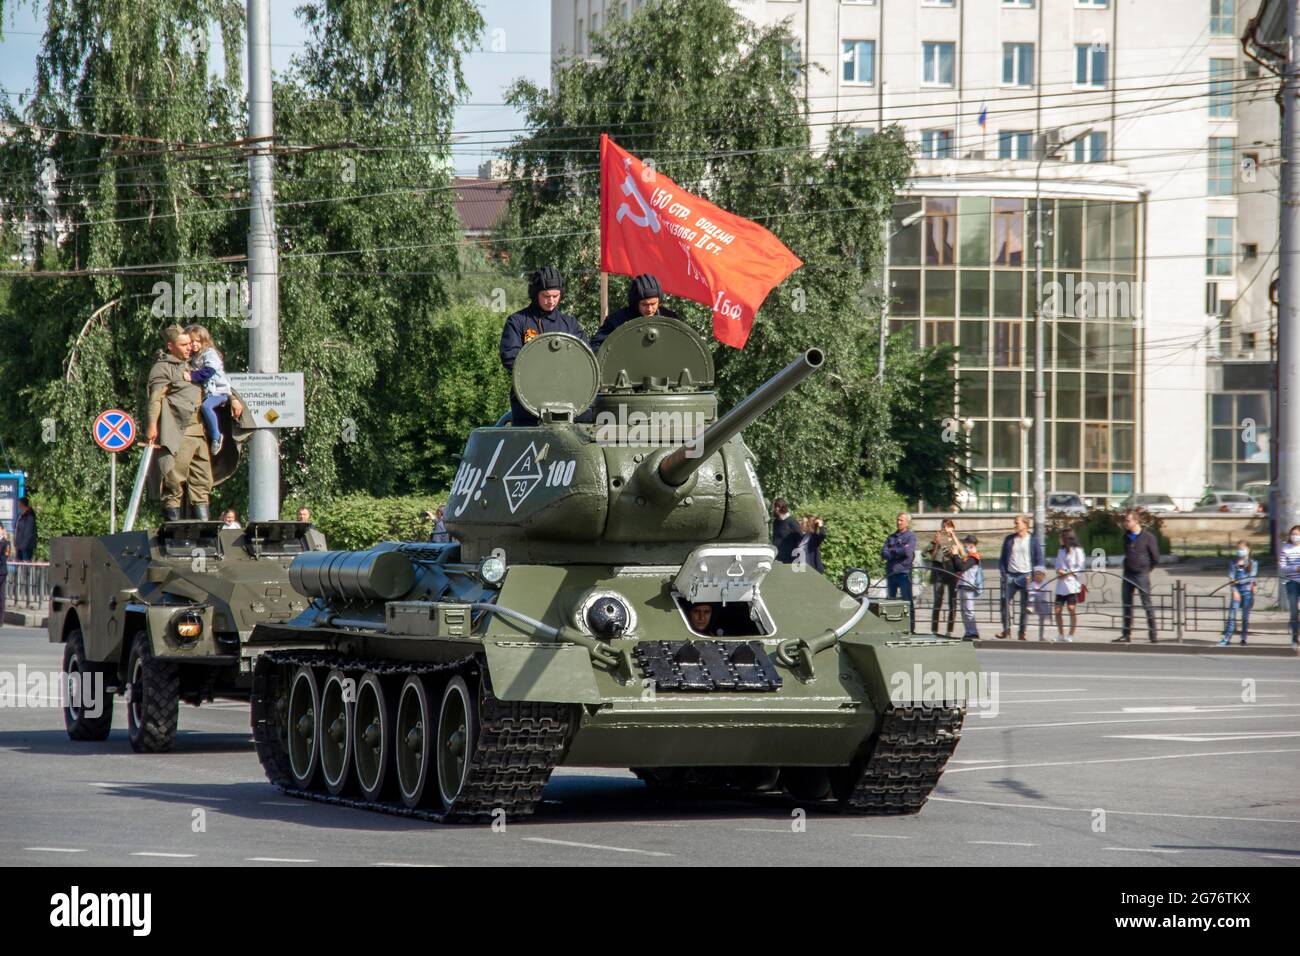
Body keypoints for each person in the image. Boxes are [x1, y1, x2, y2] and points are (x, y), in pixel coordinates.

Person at [499, 266, 585, 426]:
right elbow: (510, 357)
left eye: (555, 296)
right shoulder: (518, 321)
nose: (551, 301)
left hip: (567, 399)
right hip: (528, 402)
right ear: (535, 293)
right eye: (546, 296)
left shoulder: (570, 324)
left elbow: (584, 359)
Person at [147, 326, 214, 521]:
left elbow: (218, 381)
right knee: (173, 479)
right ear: (170, 346)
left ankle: (205, 529)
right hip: (178, 433)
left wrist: (234, 399)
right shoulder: (163, 368)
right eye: (183, 344)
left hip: (200, 432)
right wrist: (152, 425)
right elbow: (155, 399)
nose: (189, 348)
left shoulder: (195, 365)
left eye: (189, 344)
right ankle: (174, 527)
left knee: (202, 481)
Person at [589, 273, 681, 351]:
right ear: (635, 303)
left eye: (653, 304)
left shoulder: (669, 319)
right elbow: (596, 347)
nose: (649, 309)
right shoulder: (617, 320)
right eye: (644, 305)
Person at [185, 324, 233, 457]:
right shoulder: (195, 357)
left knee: (206, 407)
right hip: (209, 392)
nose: (194, 344)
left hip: (219, 391)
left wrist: (191, 376)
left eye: (197, 341)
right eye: (191, 341)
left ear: (204, 341)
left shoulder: (209, 353)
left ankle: (216, 436)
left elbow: (209, 371)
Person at [1114, 509, 1160, 643]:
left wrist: (1146, 568)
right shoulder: (1126, 536)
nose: (1125, 523)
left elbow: (1155, 557)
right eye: (1125, 521)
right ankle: (1126, 634)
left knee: (1147, 605)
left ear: (1136, 521)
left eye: (1128, 521)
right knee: (1127, 605)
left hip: (1141, 575)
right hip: (1128, 574)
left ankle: (1153, 634)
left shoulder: (1148, 537)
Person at [997, 515, 1043, 640]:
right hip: (1010, 576)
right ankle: (1006, 630)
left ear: (1025, 524)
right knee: (1004, 601)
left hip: (1026, 576)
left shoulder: (1033, 540)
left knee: (1024, 605)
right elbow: (1002, 558)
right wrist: (1003, 573)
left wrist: (1036, 576)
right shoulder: (1010, 539)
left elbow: (1039, 559)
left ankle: (1022, 632)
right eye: (1015, 523)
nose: (1015, 525)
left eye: (1017, 523)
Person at [881, 512, 918, 632]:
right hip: (891, 573)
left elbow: (908, 553)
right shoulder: (891, 537)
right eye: (897, 520)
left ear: (907, 522)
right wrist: (899, 551)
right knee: (890, 602)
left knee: (907, 602)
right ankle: (892, 628)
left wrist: (892, 552)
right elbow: (883, 553)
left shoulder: (910, 536)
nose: (898, 522)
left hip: (904, 573)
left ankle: (910, 628)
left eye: (901, 520)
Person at [1219, 540, 1258, 646]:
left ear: (1248, 550)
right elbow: (1231, 577)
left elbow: (1251, 577)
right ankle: (1227, 638)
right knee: (1231, 615)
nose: (1240, 551)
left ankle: (1243, 638)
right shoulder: (1233, 562)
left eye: (1242, 549)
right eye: (1238, 549)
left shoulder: (1253, 563)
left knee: (1245, 617)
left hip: (1247, 592)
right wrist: (1234, 590)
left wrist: (1240, 581)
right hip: (1236, 591)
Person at [926, 519, 961, 637]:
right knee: (937, 602)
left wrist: (953, 536)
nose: (945, 529)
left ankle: (949, 630)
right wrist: (935, 542)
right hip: (939, 573)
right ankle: (934, 630)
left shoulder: (954, 540)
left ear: (952, 528)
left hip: (951, 573)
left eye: (948, 526)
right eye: (943, 527)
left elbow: (962, 552)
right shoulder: (938, 540)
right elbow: (928, 555)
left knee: (952, 602)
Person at [1053, 528, 1085, 642]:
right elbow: (1057, 565)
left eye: (1061, 537)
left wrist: (1069, 572)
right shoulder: (1060, 551)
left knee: (1071, 608)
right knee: (1057, 610)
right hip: (1061, 585)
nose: (1059, 539)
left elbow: (1080, 567)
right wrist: (1059, 571)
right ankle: (1061, 634)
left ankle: (1070, 634)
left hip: (1072, 585)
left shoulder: (1077, 550)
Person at [954, 534, 983, 641]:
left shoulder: (974, 557)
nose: (964, 546)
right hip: (962, 585)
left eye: (966, 544)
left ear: (971, 545)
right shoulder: (968, 556)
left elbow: (962, 567)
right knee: (963, 611)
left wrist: (956, 555)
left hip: (968, 586)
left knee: (969, 611)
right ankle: (968, 631)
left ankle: (973, 632)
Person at [1281, 525, 1300, 647]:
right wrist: (1295, 568)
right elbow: (1282, 568)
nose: (1295, 536)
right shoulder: (1286, 548)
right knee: (1294, 611)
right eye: (1293, 534)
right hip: (1292, 582)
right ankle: (1294, 638)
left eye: (1297, 534)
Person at [771, 498, 802, 563]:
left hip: (790, 561)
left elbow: (800, 540)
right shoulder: (776, 522)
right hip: (777, 559)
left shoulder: (792, 522)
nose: (772, 510)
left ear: (779, 507)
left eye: (774, 507)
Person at [1029, 566, 1054, 642]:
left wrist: (1040, 589)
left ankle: (1041, 636)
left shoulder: (1045, 583)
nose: (1037, 576)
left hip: (1043, 604)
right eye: (1036, 574)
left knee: (1042, 620)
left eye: (1039, 574)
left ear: (1043, 575)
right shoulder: (1032, 583)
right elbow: (1030, 591)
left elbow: (1045, 591)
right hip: (1033, 603)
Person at [14, 496, 36, 561]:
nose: (18, 505)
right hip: (19, 545)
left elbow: (28, 532)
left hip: (26, 546)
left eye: (19, 503)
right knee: (19, 564)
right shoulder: (20, 515)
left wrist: (24, 545)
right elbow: (17, 529)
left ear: (22, 504)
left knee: (25, 565)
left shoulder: (29, 515)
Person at [0, 523, 9, 626]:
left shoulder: (6, 543)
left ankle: (0, 620)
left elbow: (4, 557)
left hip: (1, 572)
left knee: (1, 597)